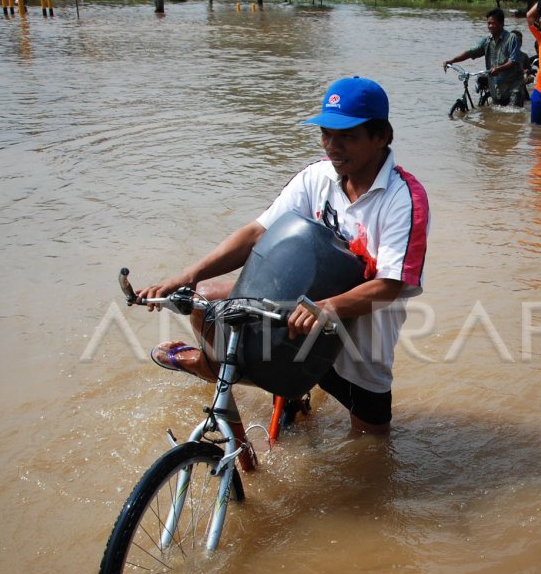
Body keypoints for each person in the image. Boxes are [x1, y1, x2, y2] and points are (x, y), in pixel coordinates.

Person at [138, 77, 430, 435]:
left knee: (371, 450)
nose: (332, 147)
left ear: (382, 136)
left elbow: (389, 286)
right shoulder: (317, 177)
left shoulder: (403, 200)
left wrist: (328, 308)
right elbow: (257, 234)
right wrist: (186, 276)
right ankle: (206, 364)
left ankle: (242, 375)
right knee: (205, 300)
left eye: (347, 137)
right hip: (293, 315)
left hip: (358, 343)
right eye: (326, 134)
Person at [442, 8, 527, 107]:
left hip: (513, 89)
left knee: (513, 118)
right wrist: (452, 60)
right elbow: (470, 52)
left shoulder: (512, 38)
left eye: (493, 23)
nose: (490, 26)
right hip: (496, 90)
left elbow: (514, 60)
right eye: (488, 23)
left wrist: (499, 69)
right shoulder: (487, 41)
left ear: (502, 24)